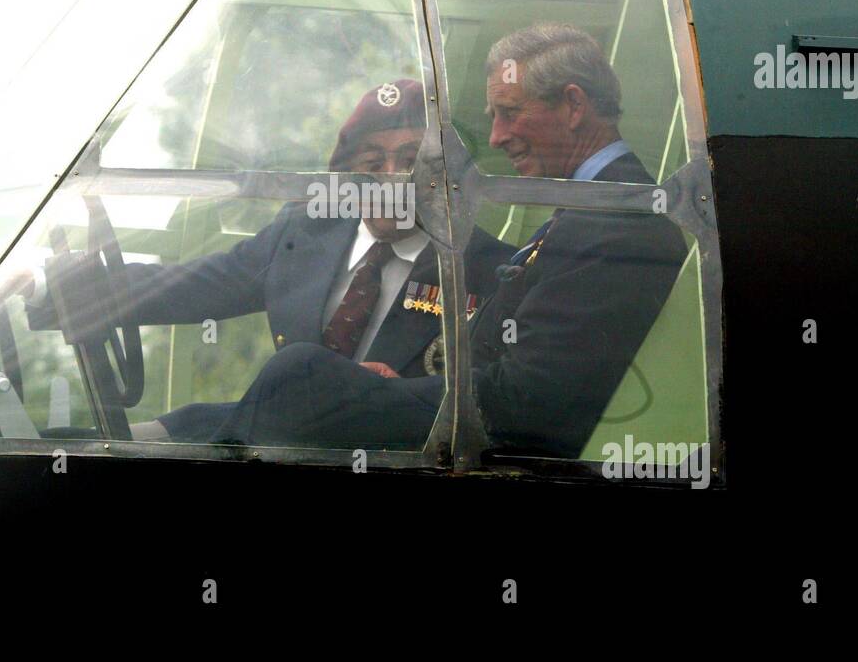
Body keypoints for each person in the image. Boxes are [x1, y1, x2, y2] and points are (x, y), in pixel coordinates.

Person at [196, 23, 686, 457]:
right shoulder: (599, 211)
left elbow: (536, 399)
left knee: (300, 375)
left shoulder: (621, 225)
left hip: (511, 454)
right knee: (215, 411)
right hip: (482, 424)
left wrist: (411, 395)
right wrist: (411, 385)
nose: (495, 137)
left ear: (574, 105)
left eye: (509, 112)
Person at [18, 78, 513, 442]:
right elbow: (190, 285)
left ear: (446, 176)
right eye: (370, 164)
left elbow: (499, 403)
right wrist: (42, 283)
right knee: (59, 445)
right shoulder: (307, 233)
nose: (389, 181)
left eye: (412, 162)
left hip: (386, 467)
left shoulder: (492, 272)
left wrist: (401, 395)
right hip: (263, 443)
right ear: (343, 176)